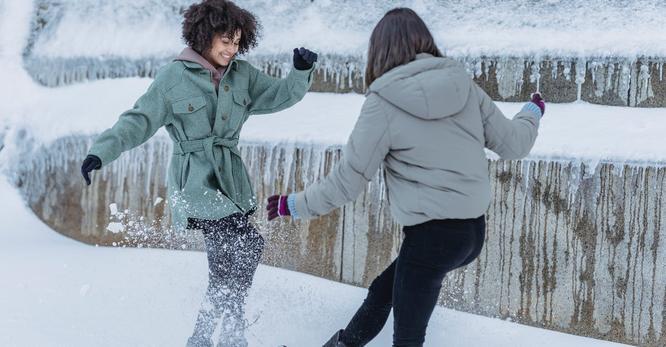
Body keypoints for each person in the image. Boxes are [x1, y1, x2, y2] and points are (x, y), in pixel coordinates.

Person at [266, 7, 544, 347]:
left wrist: (293, 204)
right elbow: (514, 143)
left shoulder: (382, 104)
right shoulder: (464, 87)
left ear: (379, 51)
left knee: (408, 338)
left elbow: (348, 180)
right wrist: (532, 112)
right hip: (471, 234)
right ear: (424, 41)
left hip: (430, 239)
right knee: (383, 292)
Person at [80, 1, 318, 346]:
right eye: (225, 40)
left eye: (237, 42)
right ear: (204, 35)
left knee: (228, 262)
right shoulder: (173, 78)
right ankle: (230, 332)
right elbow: (139, 119)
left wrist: (299, 71)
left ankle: (207, 336)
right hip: (195, 185)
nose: (231, 48)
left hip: (231, 184)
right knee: (248, 245)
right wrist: (100, 153)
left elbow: (279, 96)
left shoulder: (243, 74)